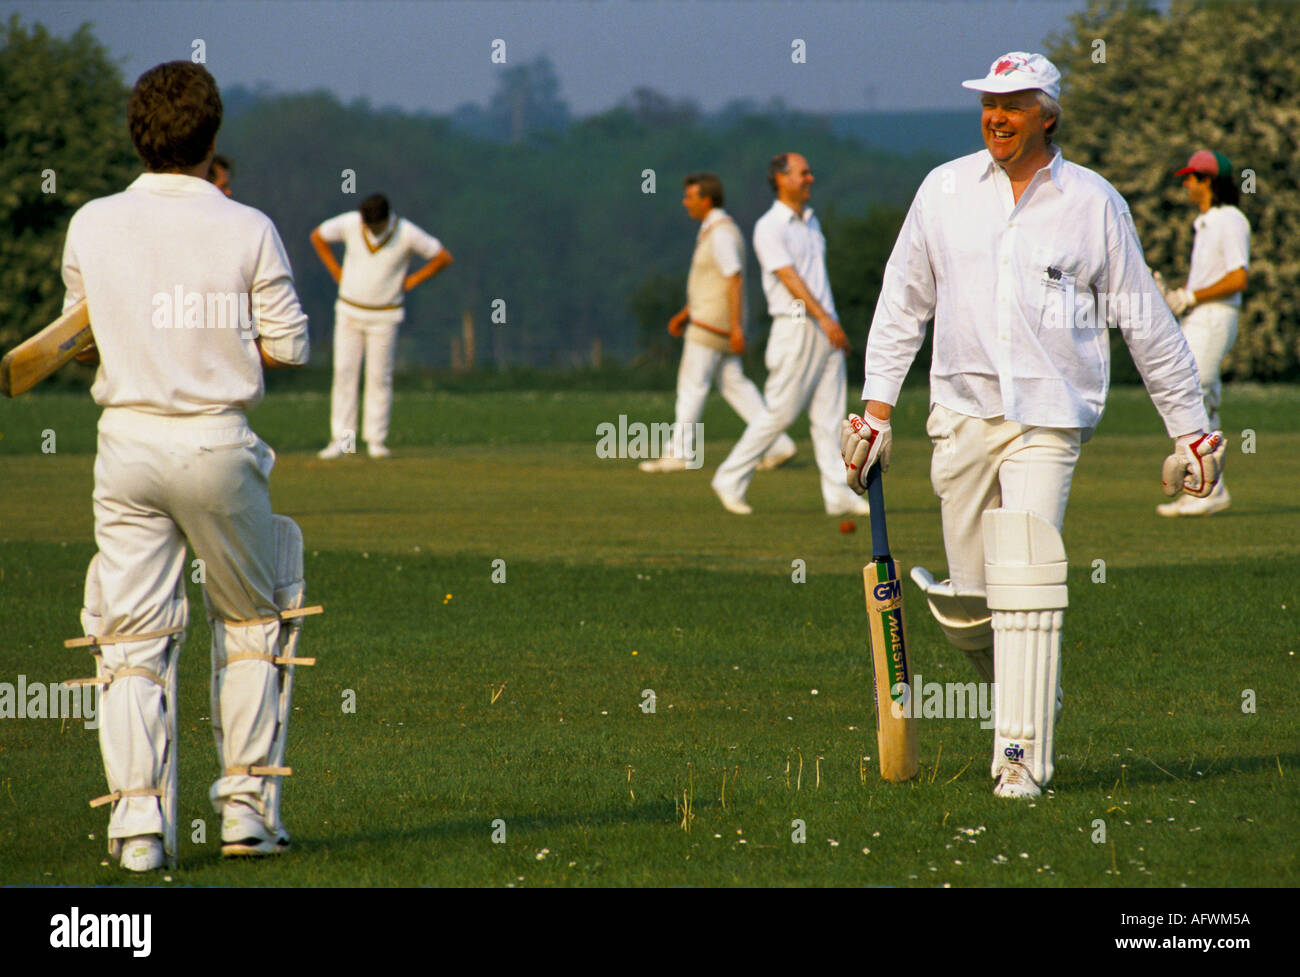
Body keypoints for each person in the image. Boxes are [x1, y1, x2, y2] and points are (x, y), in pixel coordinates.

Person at [840, 52, 1223, 799]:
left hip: (1048, 419)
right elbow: (902, 301)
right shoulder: (943, 190)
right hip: (960, 415)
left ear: (1048, 114)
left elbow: (1143, 320)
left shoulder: (1092, 201)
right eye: (988, 102)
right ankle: (1028, 684)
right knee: (968, 604)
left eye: (1014, 103)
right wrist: (877, 406)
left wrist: (1191, 428)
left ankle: (1019, 758)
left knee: (1026, 580)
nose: (997, 115)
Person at [60, 61, 311, 870]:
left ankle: (138, 829)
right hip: (216, 441)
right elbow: (291, 347)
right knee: (250, 620)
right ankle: (245, 809)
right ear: (213, 138)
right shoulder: (248, 226)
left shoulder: (92, 223)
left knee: (129, 635)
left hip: (126, 442)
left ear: (139, 134)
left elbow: (76, 341)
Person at [710, 153, 869, 516]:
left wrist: (830, 322)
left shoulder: (811, 222)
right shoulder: (770, 226)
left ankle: (838, 495)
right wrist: (825, 321)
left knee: (830, 417)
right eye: (803, 173)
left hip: (824, 326)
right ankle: (729, 478)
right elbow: (788, 277)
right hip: (796, 326)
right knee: (780, 413)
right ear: (781, 179)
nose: (810, 178)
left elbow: (816, 278)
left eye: (810, 172)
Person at [640, 172, 797, 473]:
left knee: (691, 386)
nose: (685, 203)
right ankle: (779, 444)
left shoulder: (721, 233)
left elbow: (733, 278)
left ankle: (679, 452)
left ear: (706, 200)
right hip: (712, 323)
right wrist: (685, 314)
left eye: (690, 197)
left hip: (712, 327)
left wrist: (736, 327)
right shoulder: (715, 230)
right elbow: (711, 283)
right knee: (735, 386)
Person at [312, 194, 452, 459]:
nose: (370, 230)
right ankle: (343, 440)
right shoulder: (352, 222)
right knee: (344, 374)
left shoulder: (407, 233)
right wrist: (335, 270)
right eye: (367, 225)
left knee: (379, 377)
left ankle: (376, 440)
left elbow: (442, 256)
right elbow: (318, 236)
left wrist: (415, 279)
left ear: (387, 219)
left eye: (375, 226)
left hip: (385, 315)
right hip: (349, 310)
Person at [1156, 149, 1249, 517]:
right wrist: (1177, 299)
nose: (1187, 184)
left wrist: (1190, 296)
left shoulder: (1230, 219)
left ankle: (1208, 489)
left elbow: (1238, 277)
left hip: (1215, 317)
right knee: (1200, 400)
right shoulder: (1206, 222)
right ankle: (1210, 487)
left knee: (1194, 396)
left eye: (1192, 177)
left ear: (1208, 180)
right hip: (1200, 316)